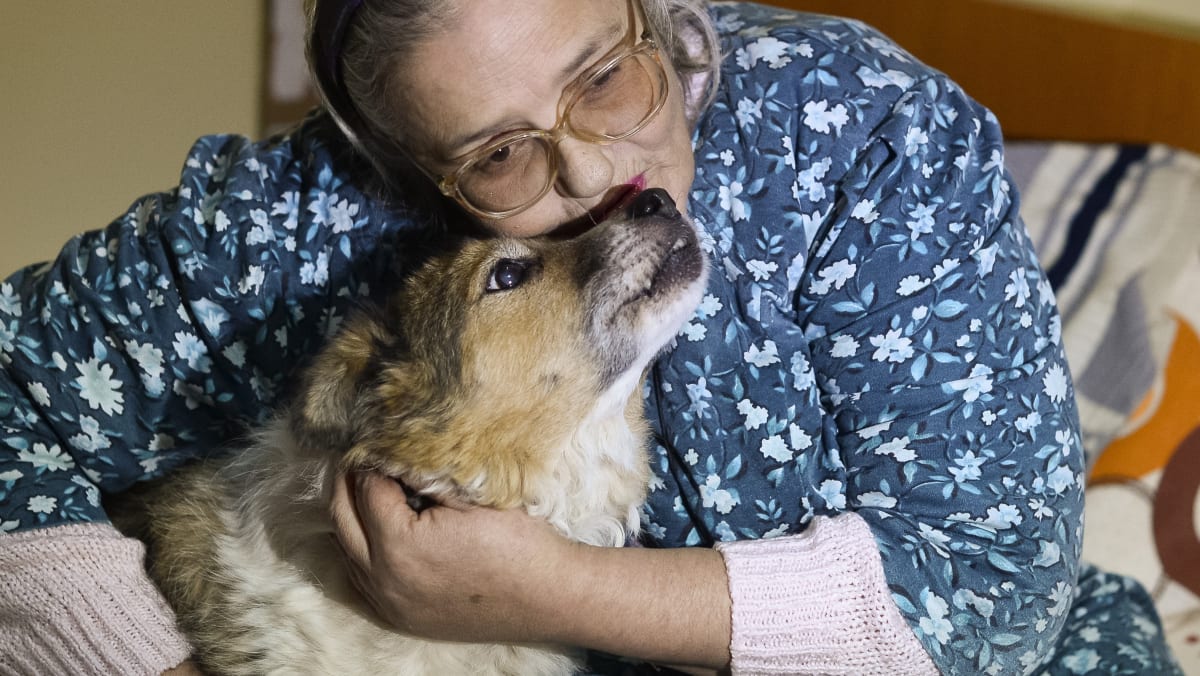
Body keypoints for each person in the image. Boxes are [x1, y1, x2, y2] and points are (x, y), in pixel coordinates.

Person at [0, 0, 1183, 673]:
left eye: (608, 78)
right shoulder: (295, 224)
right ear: (407, 170)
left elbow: (989, 604)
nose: (604, 174)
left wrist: (562, 590)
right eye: (498, 155)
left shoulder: (868, 140)